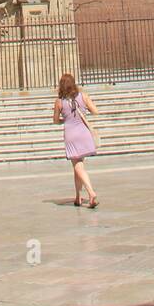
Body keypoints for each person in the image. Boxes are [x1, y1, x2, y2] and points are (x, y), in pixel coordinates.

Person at [53, 72, 98, 208]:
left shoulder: (59, 102)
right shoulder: (83, 96)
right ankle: (78, 197)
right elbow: (95, 111)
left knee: (77, 165)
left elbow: (55, 121)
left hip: (71, 134)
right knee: (77, 166)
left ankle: (91, 192)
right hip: (84, 133)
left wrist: (66, 119)